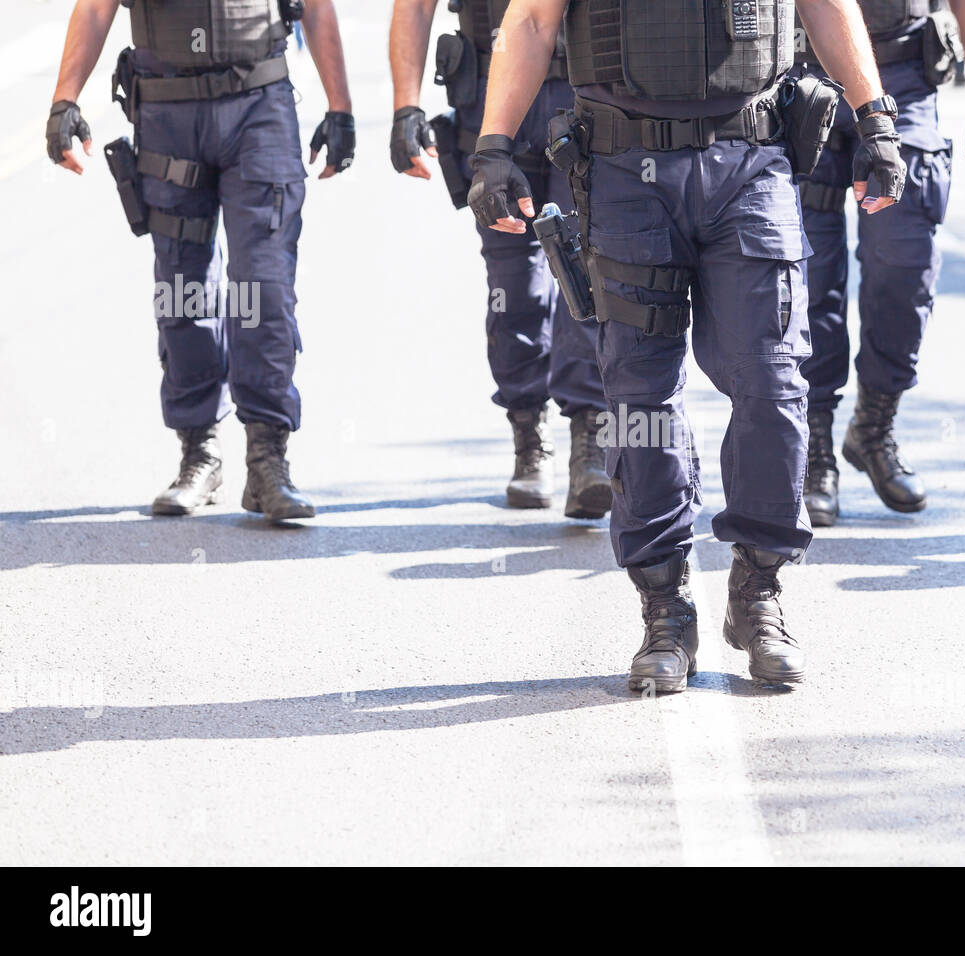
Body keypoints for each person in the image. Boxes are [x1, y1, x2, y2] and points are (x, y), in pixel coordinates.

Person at [467, 0, 908, 692]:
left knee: (775, 382)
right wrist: (493, 149)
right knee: (640, 396)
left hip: (750, 160)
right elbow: (528, 20)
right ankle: (665, 606)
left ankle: (758, 590)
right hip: (623, 169)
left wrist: (877, 119)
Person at [47, 0, 354, 522]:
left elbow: (317, 5)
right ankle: (199, 453)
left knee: (263, 287)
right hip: (167, 112)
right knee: (182, 291)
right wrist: (64, 102)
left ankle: (266, 460)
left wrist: (340, 108)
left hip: (259, 105)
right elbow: (97, 6)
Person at [388, 0, 611, 519]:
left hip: (589, 94)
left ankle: (590, 439)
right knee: (513, 286)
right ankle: (528, 430)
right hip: (494, 99)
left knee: (589, 270)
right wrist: (406, 107)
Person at [798, 0, 965, 526]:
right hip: (801, 79)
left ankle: (873, 427)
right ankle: (814, 450)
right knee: (805, 274)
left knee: (906, 262)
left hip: (902, 82)